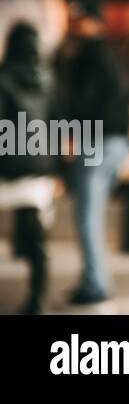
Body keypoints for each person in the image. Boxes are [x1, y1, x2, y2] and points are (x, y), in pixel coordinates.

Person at [55, 0, 129, 306]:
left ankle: (95, 283)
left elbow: (83, 103)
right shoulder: (114, 55)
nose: (74, 24)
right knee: (94, 214)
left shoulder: (88, 56)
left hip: (97, 141)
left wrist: (73, 134)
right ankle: (97, 279)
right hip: (116, 142)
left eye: (78, 18)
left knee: (88, 214)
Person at [0, 21, 60, 314]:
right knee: (35, 234)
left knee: (29, 231)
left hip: (7, 163)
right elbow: (58, 124)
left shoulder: (4, 78)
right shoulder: (49, 80)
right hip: (39, 165)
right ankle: (38, 296)